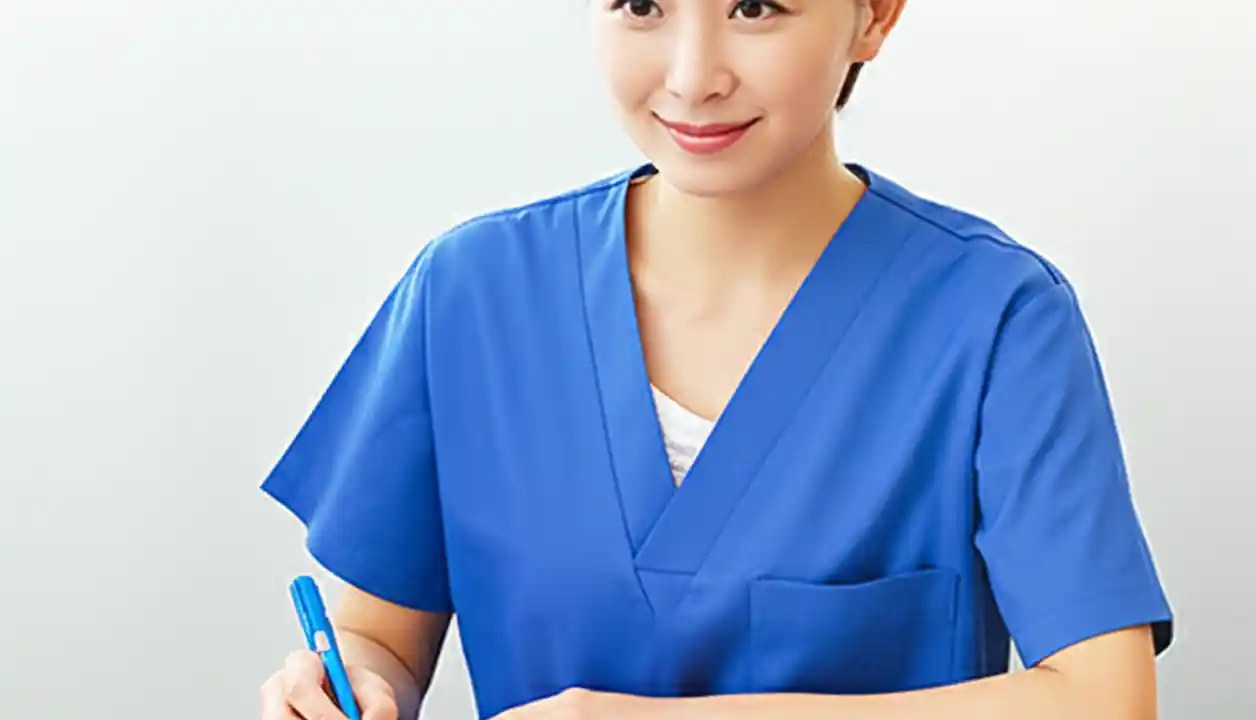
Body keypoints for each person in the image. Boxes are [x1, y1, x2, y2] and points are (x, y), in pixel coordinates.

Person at [258, 1, 1174, 718]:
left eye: (758, 6)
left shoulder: (996, 319)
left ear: (876, 14)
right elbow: (381, 639)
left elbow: (1101, 699)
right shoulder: (470, 293)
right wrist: (349, 685)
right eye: (641, 3)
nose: (694, 79)